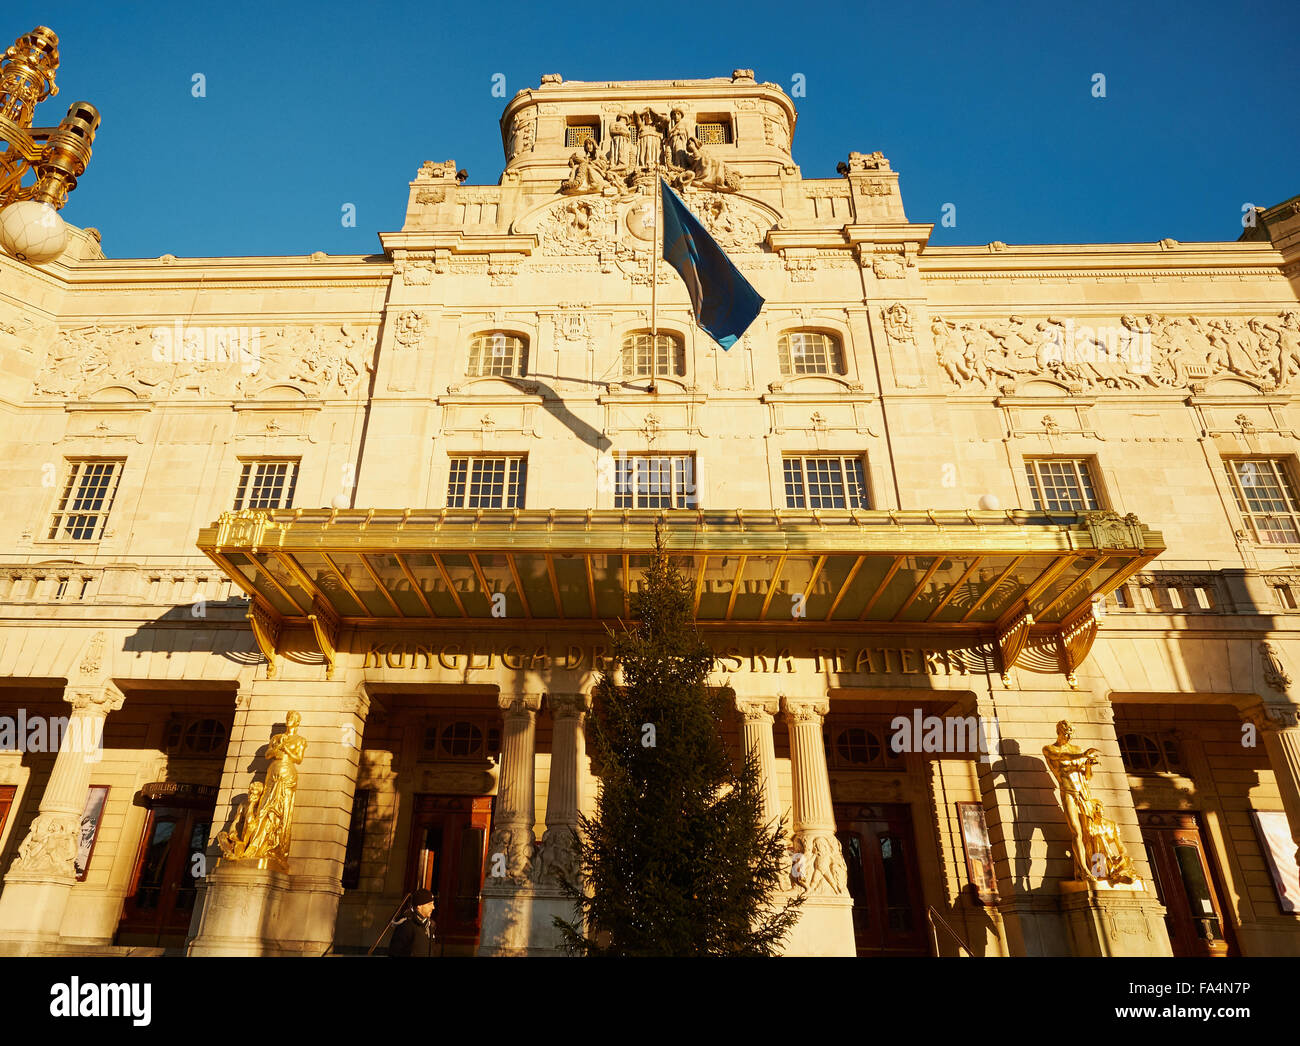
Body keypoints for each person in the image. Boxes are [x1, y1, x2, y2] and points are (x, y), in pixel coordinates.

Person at [388, 889, 437, 957]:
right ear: (419, 906)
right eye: (429, 904)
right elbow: (395, 952)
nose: (433, 907)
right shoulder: (406, 926)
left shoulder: (430, 925)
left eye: (433, 904)